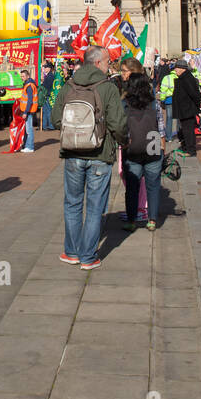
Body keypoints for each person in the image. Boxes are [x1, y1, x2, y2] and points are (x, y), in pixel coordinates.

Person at [51, 45, 127, 270]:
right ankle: (88, 256)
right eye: (106, 61)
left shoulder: (69, 85)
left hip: (72, 153)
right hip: (100, 153)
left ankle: (72, 252)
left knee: (72, 203)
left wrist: (74, 130)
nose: (108, 65)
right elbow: (118, 123)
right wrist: (122, 140)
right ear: (96, 63)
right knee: (94, 207)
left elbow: (56, 119)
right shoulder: (108, 88)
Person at [120, 71, 165, 232]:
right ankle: (152, 220)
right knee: (153, 186)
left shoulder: (125, 104)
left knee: (132, 188)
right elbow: (161, 128)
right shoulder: (154, 103)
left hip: (132, 149)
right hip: (152, 146)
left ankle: (131, 220)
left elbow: (121, 127)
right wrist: (162, 147)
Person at [171, 58, 201, 157]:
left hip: (187, 109)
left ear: (182, 68)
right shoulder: (183, 77)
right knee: (185, 129)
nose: (175, 70)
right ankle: (186, 147)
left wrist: (196, 106)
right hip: (184, 109)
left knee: (188, 130)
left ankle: (190, 150)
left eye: (176, 68)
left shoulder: (187, 78)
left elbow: (194, 94)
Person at [19, 69, 38, 152]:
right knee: (27, 129)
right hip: (27, 110)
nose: (22, 78)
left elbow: (29, 100)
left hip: (28, 111)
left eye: (23, 76)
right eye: (21, 76)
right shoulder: (28, 84)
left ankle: (30, 147)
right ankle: (26, 145)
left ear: (28, 76)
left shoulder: (29, 86)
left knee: (29, 129)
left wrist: (25, 112)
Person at [158, 62, 176, 142]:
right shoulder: (179, 77)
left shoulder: (167, 78)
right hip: (178, 99)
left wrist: (162, 99)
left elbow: (163, 90)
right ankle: (180, 136)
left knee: (169, 118)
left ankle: (169, 137)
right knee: (179, 119)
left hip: (169, 100)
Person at [39, 61, 56, 130]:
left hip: (47, 95)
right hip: (47, 95)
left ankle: (49, 125)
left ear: (49, 68)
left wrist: (42, 84)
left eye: (46, 67)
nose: (44, 69)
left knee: (48, 110)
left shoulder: (50, 76)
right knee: (46, 111)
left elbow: (47, 86)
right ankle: (45, 125)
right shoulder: (49, 75)